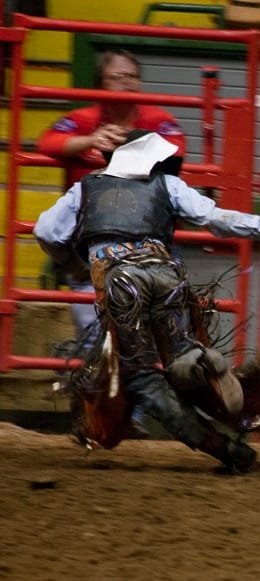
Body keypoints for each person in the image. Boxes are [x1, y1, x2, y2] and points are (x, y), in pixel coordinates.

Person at [34, 130, 260, 474]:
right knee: (178, 359)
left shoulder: (85, 188)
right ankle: (199, 362)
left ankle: (227, 451)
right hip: (165, 274)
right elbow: (216, 218)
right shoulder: (167, 185)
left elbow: (46, 231)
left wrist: (75, 266)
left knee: (141, 378)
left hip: (119, 280)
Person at [38, 49, 188, 365]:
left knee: (174, 329)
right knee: (94, 333)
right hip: (90, 243)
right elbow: (47, 142)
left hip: (147, 238)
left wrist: (130, 144)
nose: (126, 83)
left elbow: (176, 151)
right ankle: (97, 389)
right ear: (100, 84)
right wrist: (91, 140)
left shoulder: (159, 120)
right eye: (116, 77)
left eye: (132, 76)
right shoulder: (81, 120)